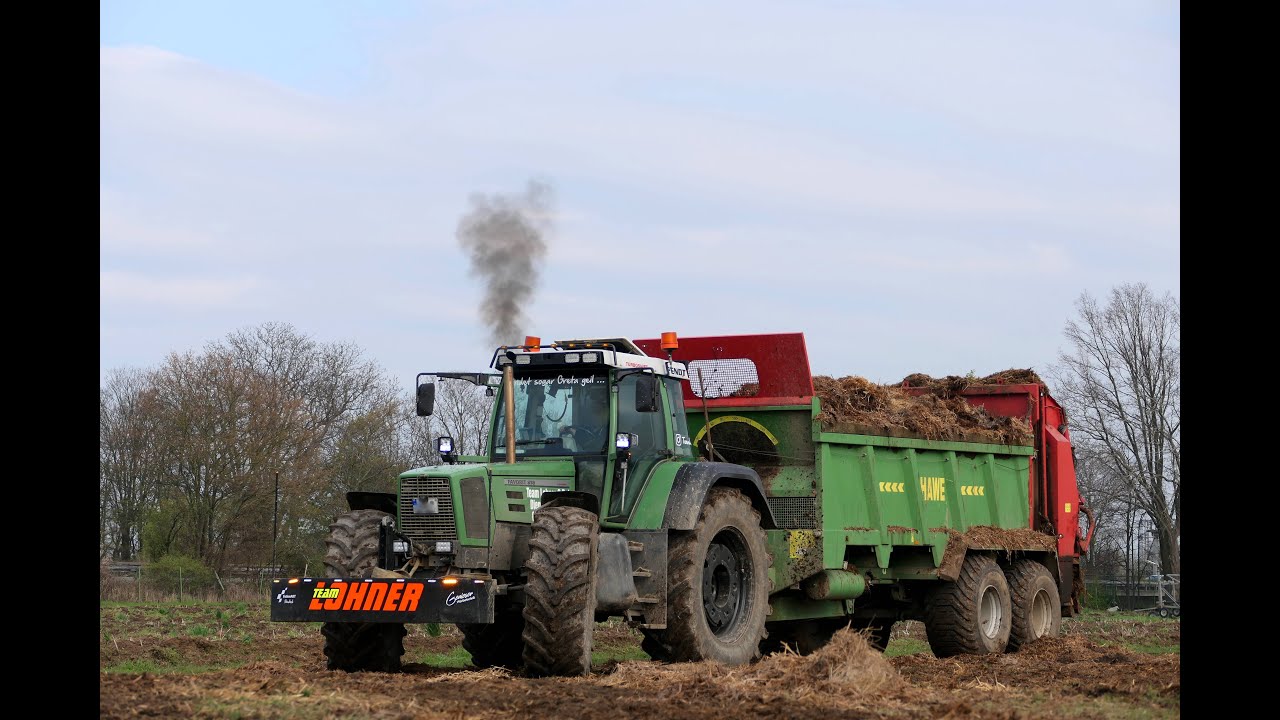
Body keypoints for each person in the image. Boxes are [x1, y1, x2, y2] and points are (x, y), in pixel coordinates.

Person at [559, 384, 608, 451]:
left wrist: (573, 431)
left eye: (597, 412)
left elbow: (595, 445)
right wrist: (569, 429)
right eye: (594, 412)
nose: (595, 416)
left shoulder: (606, 431)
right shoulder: (591, 428)